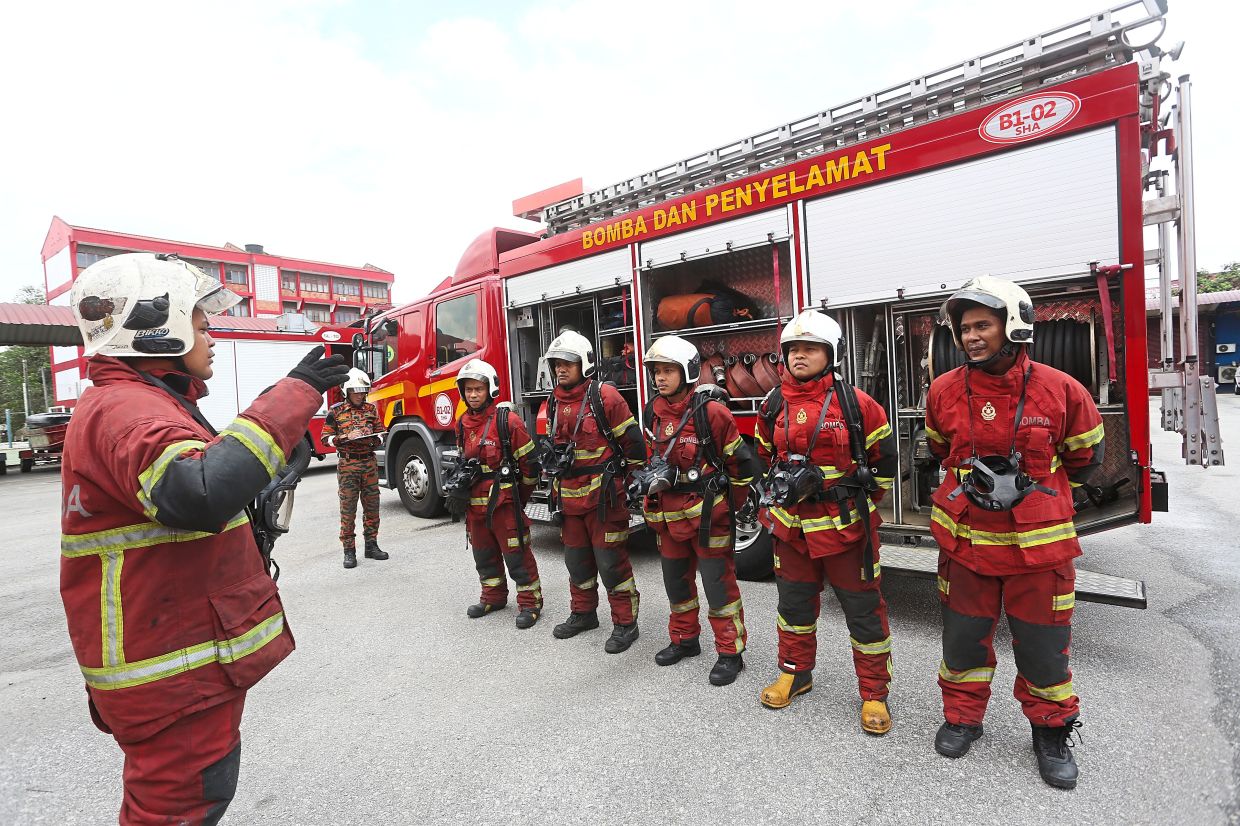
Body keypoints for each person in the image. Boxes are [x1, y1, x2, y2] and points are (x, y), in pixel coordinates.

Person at [59, 252, 349, 823]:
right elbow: (198, 492)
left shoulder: (145, 403)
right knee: (178, 809)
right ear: (155, 325)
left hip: (181, 666)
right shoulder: (125, 408)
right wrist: (294, 394)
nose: (211, 335)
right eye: (199, 322)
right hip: (172, 675)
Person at [925, 275, 1104, 789]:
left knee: (1045, 648)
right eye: (964, 328)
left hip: (1039, 552)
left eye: (983, 324)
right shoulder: (943, 390)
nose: (972, 336)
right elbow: (941, 449)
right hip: (966, 544)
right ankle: (962, 718)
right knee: (962, 642)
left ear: (1014, 324)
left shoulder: (1061, 389)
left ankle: (1050, 731)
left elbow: (1085, 457)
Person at [755, 309, 898, 734]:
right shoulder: (773, 403)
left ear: (831, 354)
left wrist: (850, 500)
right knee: (793, 606)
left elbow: (885, 467)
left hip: (846, 529)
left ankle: (874, 693)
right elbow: (765, 456)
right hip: (791, 529)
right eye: (793, 349)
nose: (799, 356)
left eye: (810, 348)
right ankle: (795, 673)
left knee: (864, 611)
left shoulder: (858, 404)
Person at [637, 335, 762, 686]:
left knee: (718, 588)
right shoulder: (652, 410)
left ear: (687, 372)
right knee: (676, 585)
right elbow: (651, 458)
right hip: (669, 520)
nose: (660, 378)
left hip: (709, 520)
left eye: (668, 371)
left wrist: (730, 510)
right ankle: (684, 640)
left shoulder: (711, 412)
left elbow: (741, 466)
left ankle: (729, 652)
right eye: (656, 372)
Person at [541, 330, 646, 653]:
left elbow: (635, 447)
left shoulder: (605, 397)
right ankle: (584, 613)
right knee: (577, 563)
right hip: (570, 501)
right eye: (557, 363)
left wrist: (628, 485)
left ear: (584, 363)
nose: (561, 369)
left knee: (612, 564)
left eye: (567, 363)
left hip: (604, 500)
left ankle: (625, 624)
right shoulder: (553, 402)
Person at [446, 358, 543, 628]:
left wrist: (518, 498)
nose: (473, 395)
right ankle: (493, 596)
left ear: (490, 389)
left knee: (517, 554)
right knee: (483, 554)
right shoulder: (462, 423)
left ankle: (530, 602)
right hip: (474, 507)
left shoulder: (507, 421)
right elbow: (463, 461)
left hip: (504, 504)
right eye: (468, 390)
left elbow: (530, 466)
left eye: (478, 389)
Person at [321, 368, 388, 568]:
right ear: (347, 391)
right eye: (356, 390)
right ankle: (349, 551)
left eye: (362, 390)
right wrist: (344, 437)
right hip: (348, 465)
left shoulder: (371, 409)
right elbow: (326, 439)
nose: (360, 394)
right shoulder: (336, 411)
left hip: (369, 463)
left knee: (372, 507)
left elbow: (381, 433)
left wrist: (375, 437)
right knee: (348, 509)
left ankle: (371, 545)